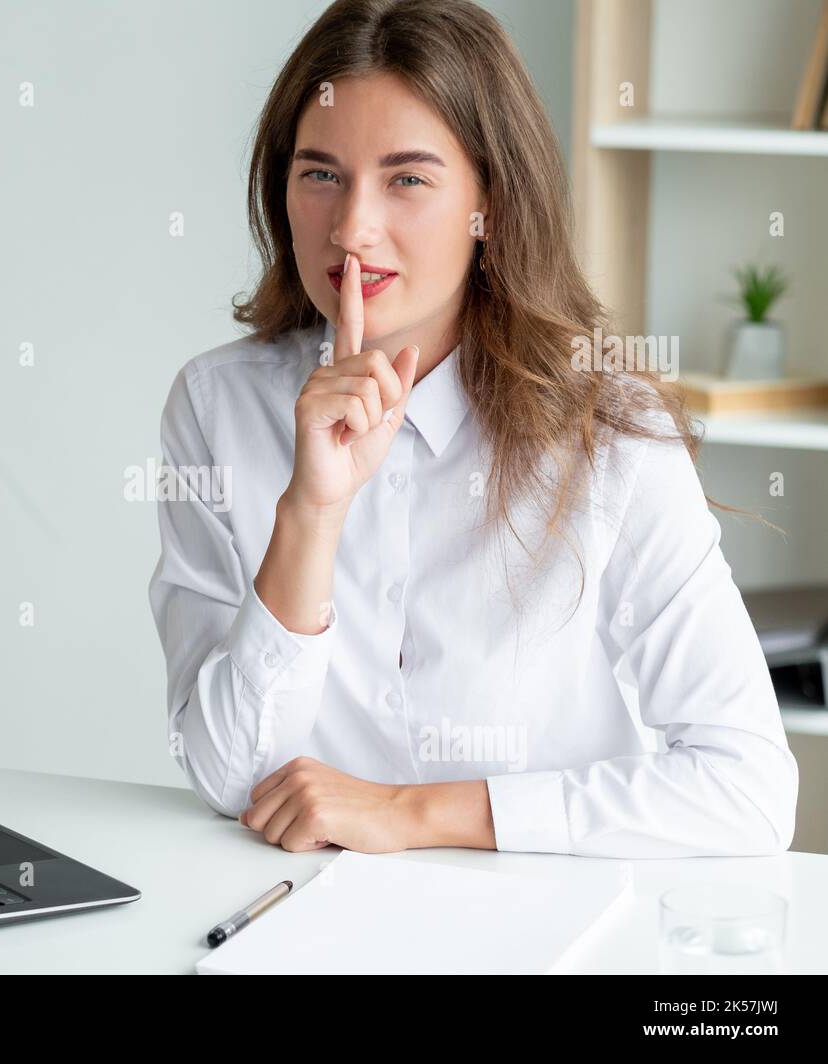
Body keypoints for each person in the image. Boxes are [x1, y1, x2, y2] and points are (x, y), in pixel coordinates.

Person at [147, 0, 798, 859]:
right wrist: (311, 511)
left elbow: (747, 788)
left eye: (407, 178)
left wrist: (414, 813)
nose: (352, 229)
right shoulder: (215, 406)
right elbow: (232, 775)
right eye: (320, 173)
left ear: (487, 203)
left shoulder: (614, 431)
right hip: (301, 919)